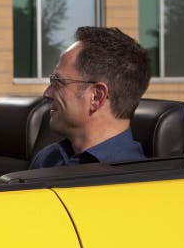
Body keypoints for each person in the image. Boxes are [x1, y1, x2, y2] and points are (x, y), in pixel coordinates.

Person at [30, 26, 151, 169]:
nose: (47, 93)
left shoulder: (135, 182)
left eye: (58, 82)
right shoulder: (49, 158)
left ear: (96, 96)